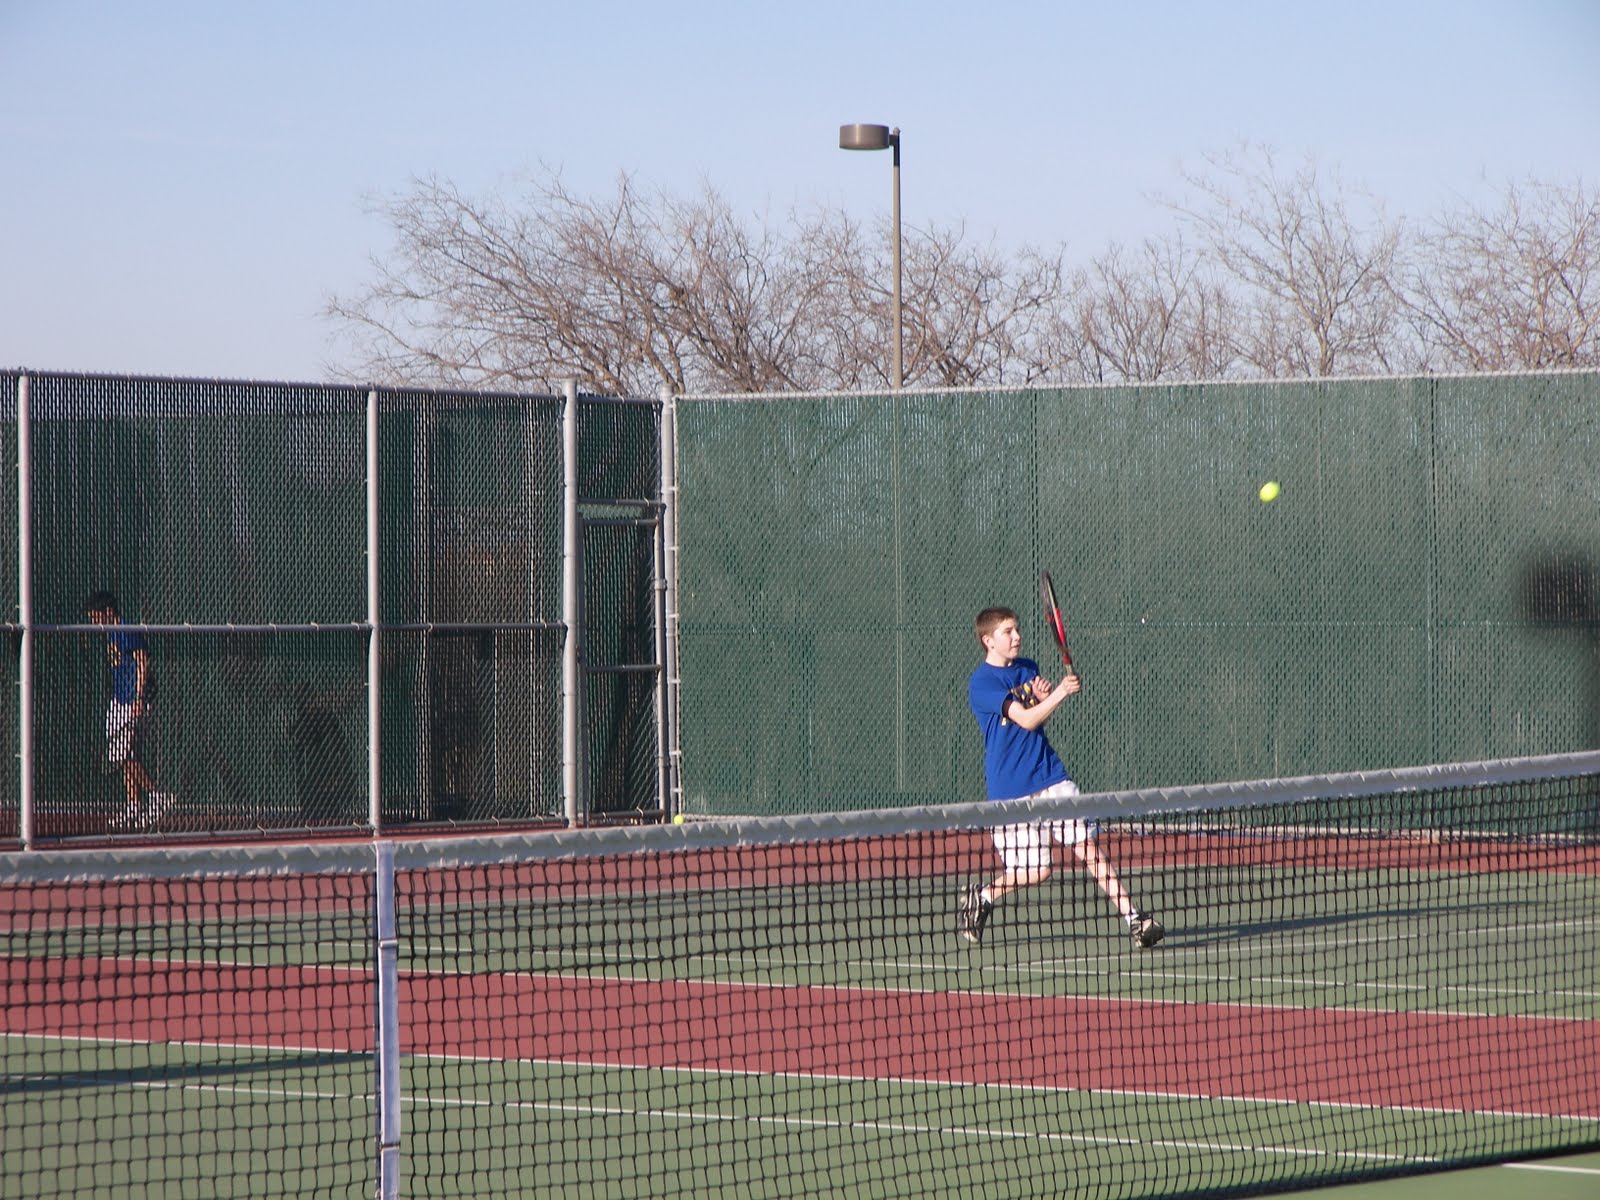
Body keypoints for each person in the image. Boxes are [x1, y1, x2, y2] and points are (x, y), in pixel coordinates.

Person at [960, 605, 1164, 948]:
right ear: (988, 640)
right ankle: (984, 895)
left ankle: (1135, 920)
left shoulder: (1028, 669)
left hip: (1050, 775)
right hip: (1010, 790)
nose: (1017, 636)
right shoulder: (981, 683)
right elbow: (1023, 720)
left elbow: (1036, 722)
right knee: (1040, 871)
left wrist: (1045, 700)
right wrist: (1058, 693)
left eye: (1017, 629)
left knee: (1087, 848)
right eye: (1007, 632)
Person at [86, 591, 175, 831]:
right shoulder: (110, 633)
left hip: (134, 700)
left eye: (95, 617)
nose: (94, 622)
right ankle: (133, 806)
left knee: (124, 755)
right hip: (120, 699)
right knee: (126, 755)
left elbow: (142, 661)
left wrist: (138, 698)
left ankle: (158, 796)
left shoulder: (126, 628)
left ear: (107, 612)